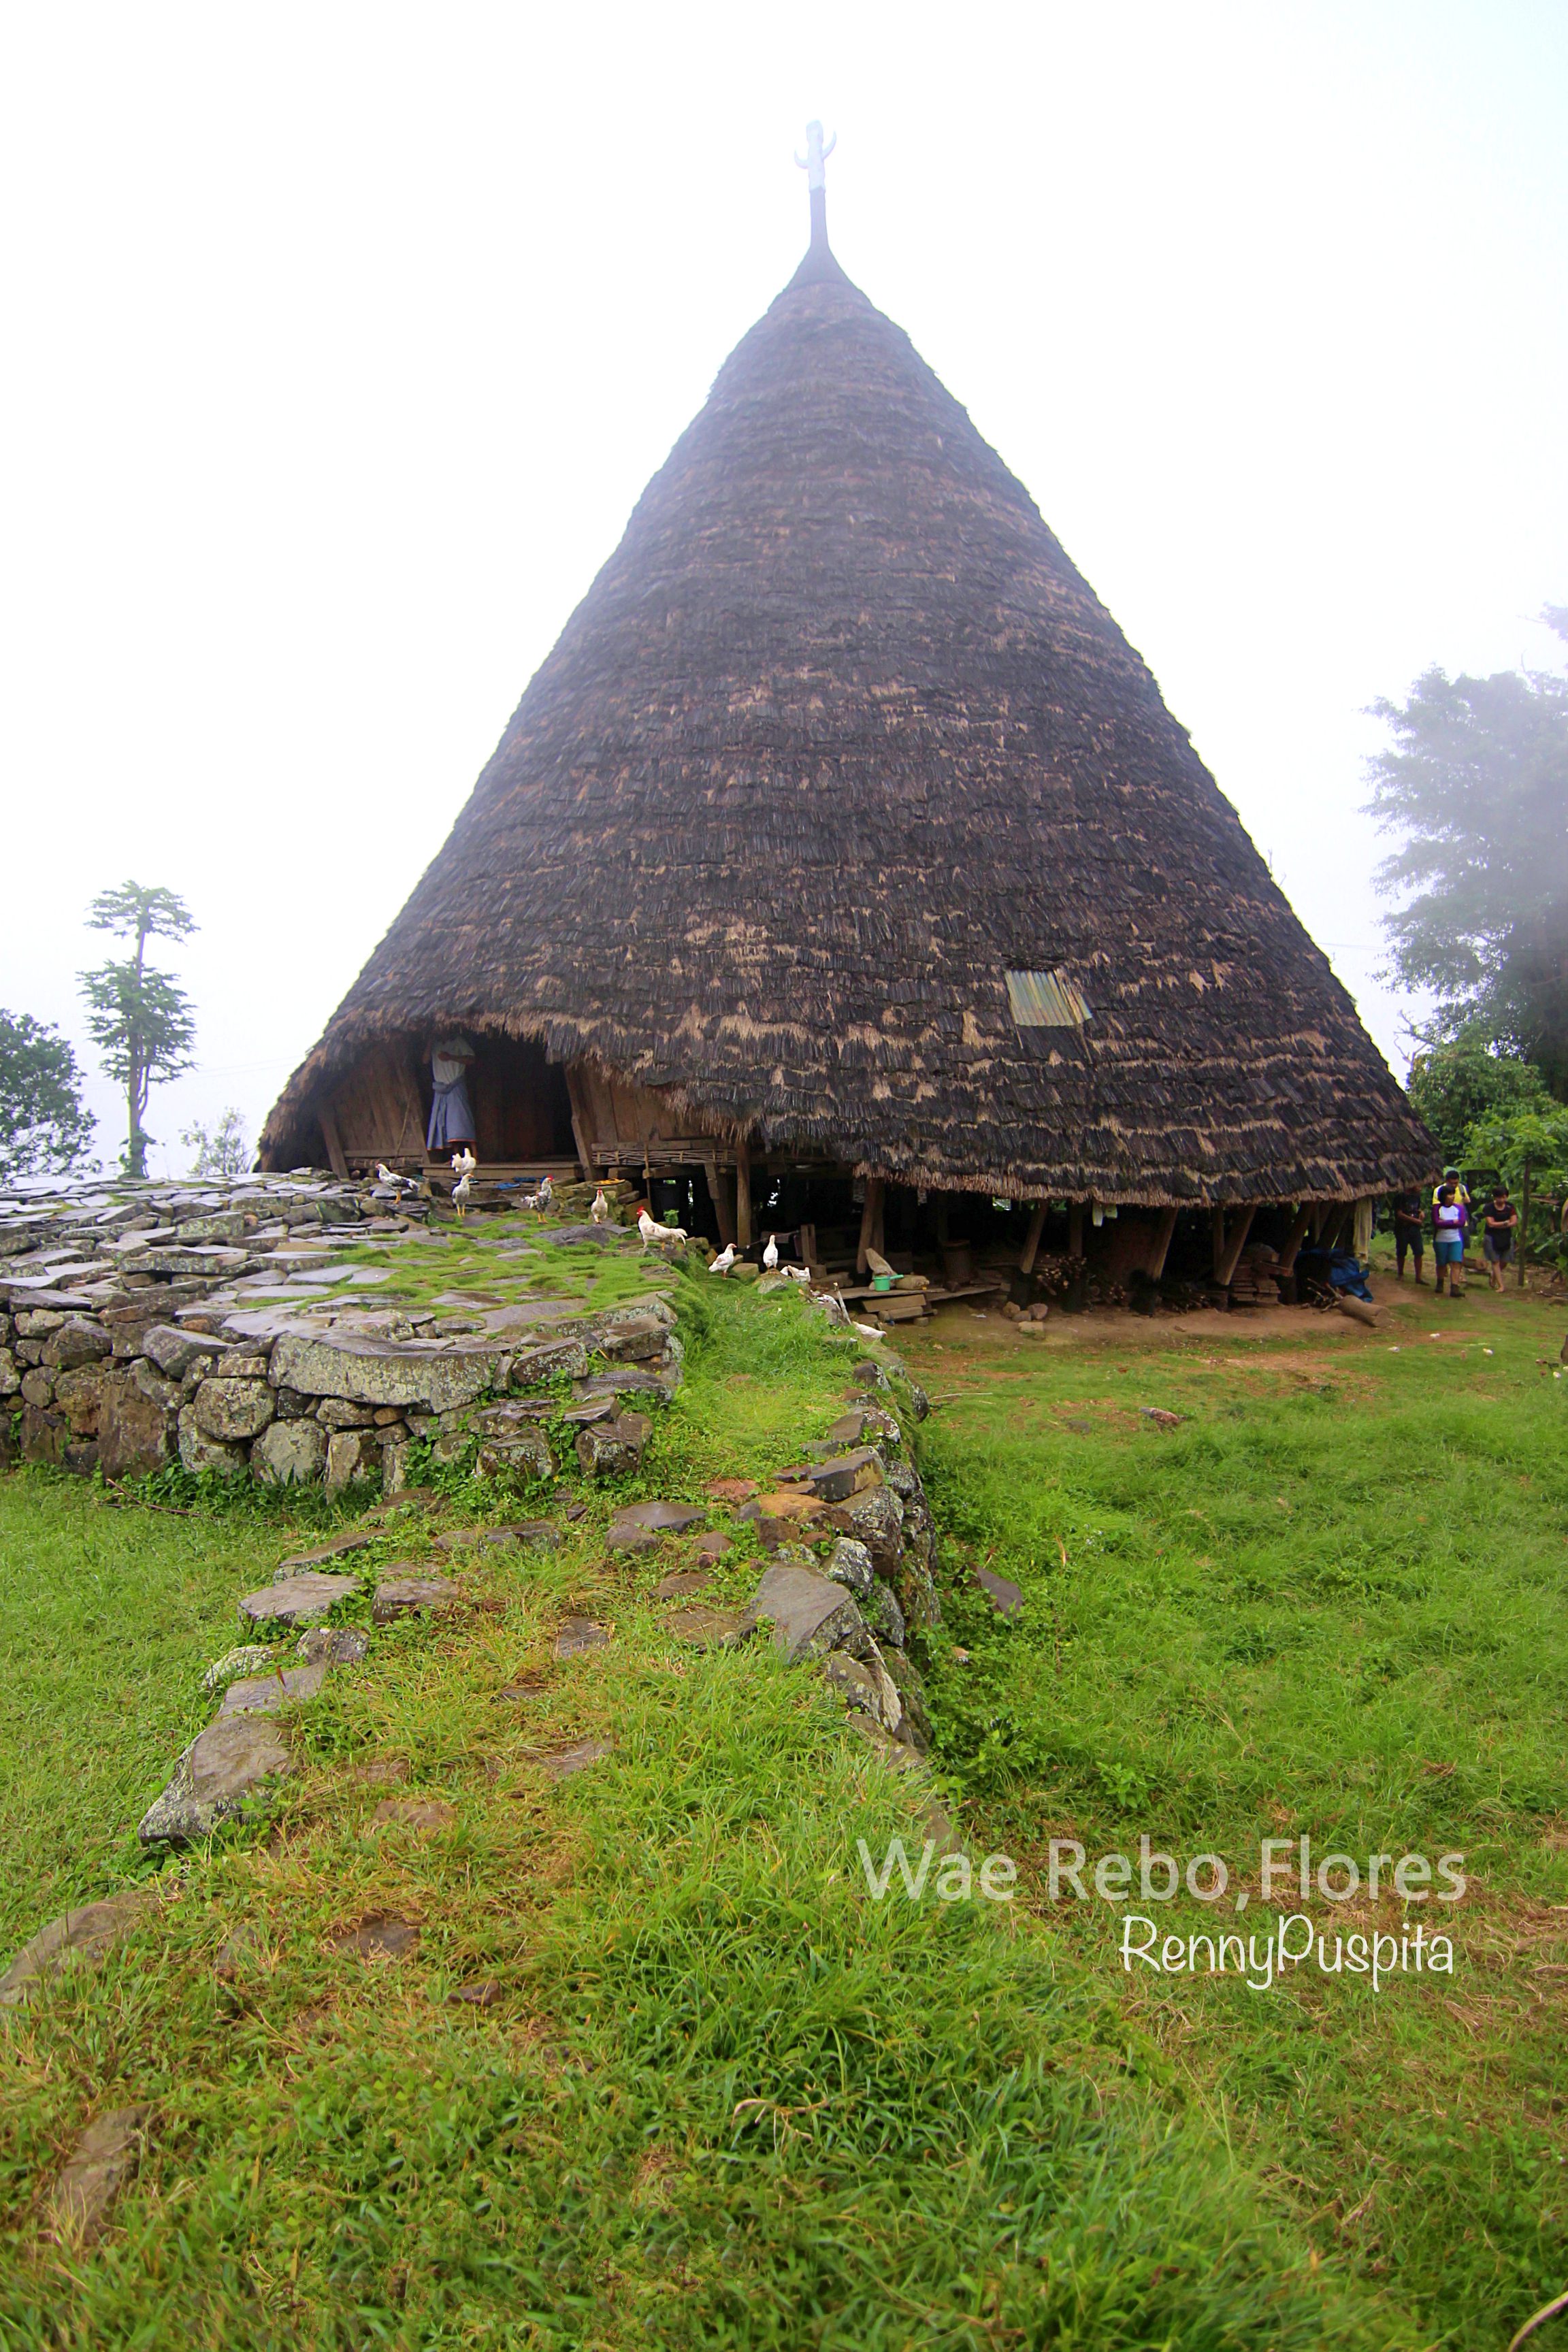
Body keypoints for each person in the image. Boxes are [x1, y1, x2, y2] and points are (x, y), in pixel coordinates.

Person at [425, 1035, 477, 1154]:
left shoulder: (458, 1042)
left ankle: (475, 1154)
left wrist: (451, 1057)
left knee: (463, 1120)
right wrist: (429, 1042)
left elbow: (471, 1059)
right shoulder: (435, 1045)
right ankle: (455, 1156)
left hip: (456, 1086)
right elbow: (425, 1060)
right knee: (445, 1122)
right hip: (441, 1089)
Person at [1431, 1183, 1467, 1298]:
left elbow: (1461, 1222)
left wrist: (1445, 1223)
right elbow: (1437, 1223)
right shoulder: (1437, 1208)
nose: (1452, 1196)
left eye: (1453, 1194)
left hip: (1455, 1238)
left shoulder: (1459, 1208)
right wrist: (1452, 1222)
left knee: (1456, 1262)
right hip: (1441, 1239)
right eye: (1449, 1194)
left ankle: (1455, 1287)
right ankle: (1440, 1283)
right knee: (1441, 1263)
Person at [1482, 1183, 1519, 1292]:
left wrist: (1502, 1225)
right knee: (1495, 1261)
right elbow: (1490, 1223)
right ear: (1495, 1197)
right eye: (1499, 1197)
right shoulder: (1489, 1207)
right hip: (1491, 1236)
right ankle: (1501, 1285)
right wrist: (1505, 1223)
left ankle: (1494, 1275)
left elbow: (1514, 1222)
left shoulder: (1510, 1207)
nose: (1502, 1200)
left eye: (1504, 1197)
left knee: (1505, 1261)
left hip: (1506, 1236)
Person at [1392, 1188, 1426, 1284]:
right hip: (1402, 1227)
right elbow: (1399, 1214)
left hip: (1415, 1228)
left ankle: (1418, 1277)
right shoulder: (1400, 1197)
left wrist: (1421, 1213)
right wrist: (1415, 1221)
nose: (1420, 1187)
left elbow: (1417, 1209)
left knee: (1419, 1251)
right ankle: (1400, 1273)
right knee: (1402, 1251)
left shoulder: (1417, 1197)